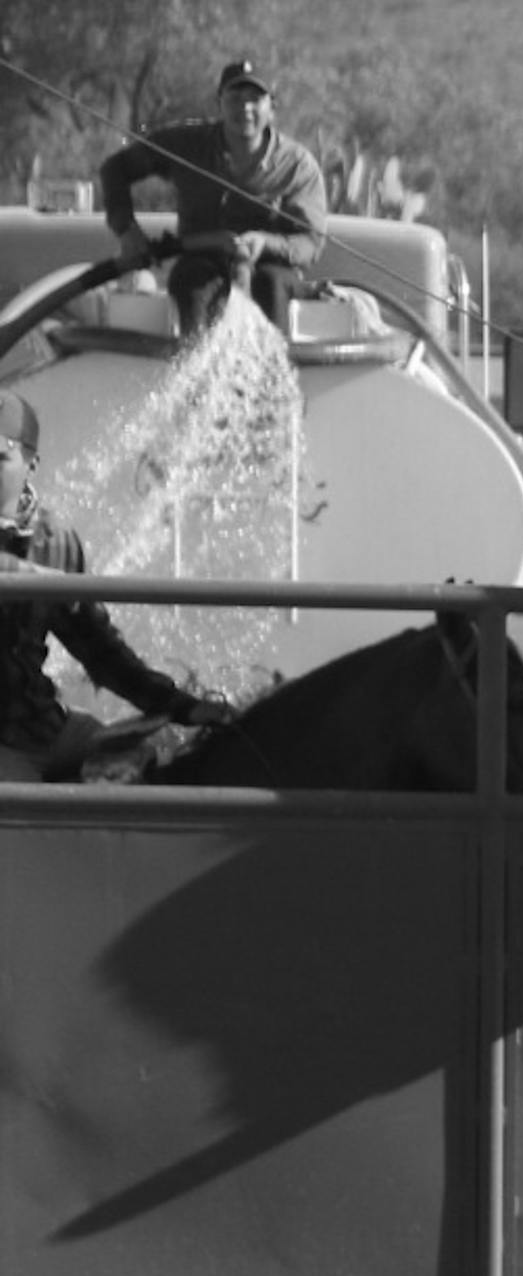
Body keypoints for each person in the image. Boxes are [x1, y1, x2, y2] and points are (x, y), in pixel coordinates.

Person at [0, 395, 234, 779]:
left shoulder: (55, 539)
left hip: (47, 728)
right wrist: (33, 575)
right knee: (18, 818)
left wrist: (181, 706)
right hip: (6, 752)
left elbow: (98, 647)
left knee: (150, 762)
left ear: (31, 464)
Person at [95, 58, 327, 339]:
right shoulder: (184, 144)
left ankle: (273, 372)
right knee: (194, 284)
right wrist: (127, 231)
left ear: (272, 107)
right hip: (199, 262)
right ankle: (197, 369)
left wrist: (264, 242)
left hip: (272, 270)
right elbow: (114, 169)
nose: (245, 108)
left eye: (255, 98)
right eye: (235, 98)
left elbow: (310, 243)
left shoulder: (298, 165)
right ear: (219, 102)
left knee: (270, 283)